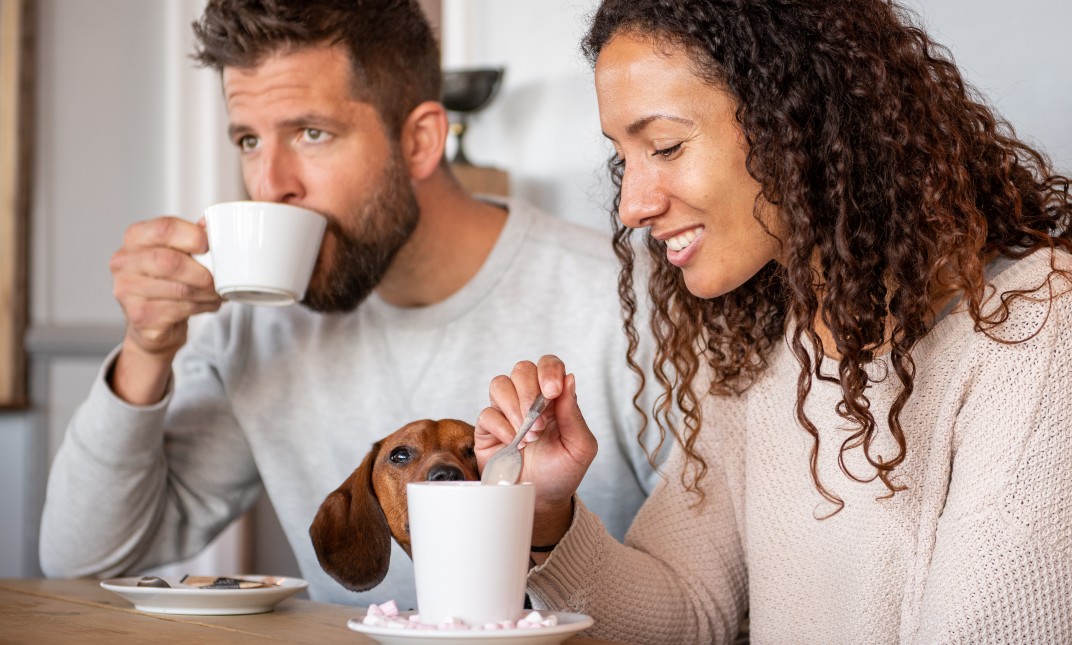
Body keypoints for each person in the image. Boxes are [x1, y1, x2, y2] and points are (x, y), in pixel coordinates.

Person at [474, 0, 1072, 642]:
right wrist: (546, 515)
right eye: (624, 158)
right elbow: (685, 610)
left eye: (667, 146)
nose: (631, 206)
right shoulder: (763, 344)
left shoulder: (1034, 324)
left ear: (794, 120)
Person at [39, 0, 665, 607]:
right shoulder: (253, 333)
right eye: (250, 140)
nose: (269, 185)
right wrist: (145, 351)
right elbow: (82, 562)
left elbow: (709, 604)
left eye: (311, 133)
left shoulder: (628, 300)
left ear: (420, 141)